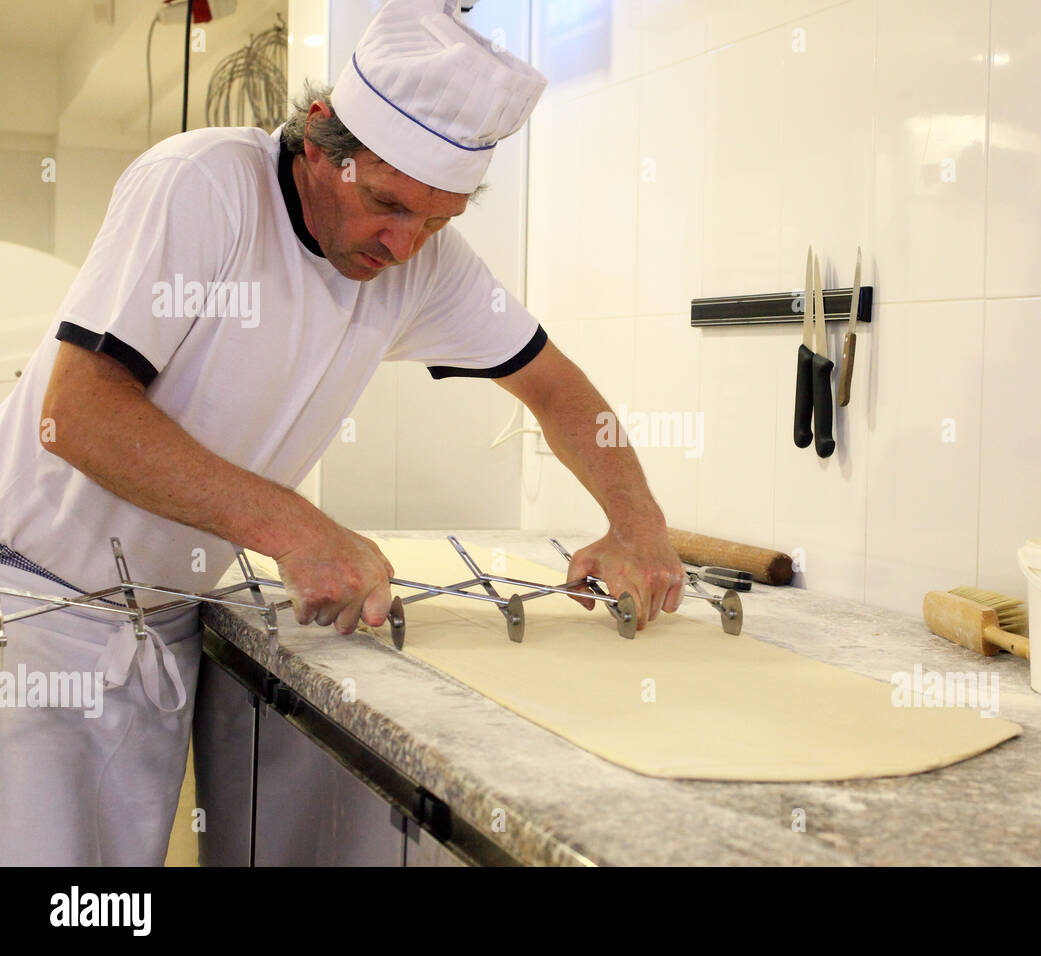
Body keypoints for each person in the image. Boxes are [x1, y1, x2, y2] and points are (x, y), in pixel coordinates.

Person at [0, 0, 682, 865]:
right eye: (388, 203)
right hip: (33, 613)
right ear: (321, 134)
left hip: (157, 618)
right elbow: (82, 415)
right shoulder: (204, 186)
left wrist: (638, 526)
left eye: (437, 220)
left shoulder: (421, 261)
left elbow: (555, 385)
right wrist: (297, 530)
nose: (401, 247)